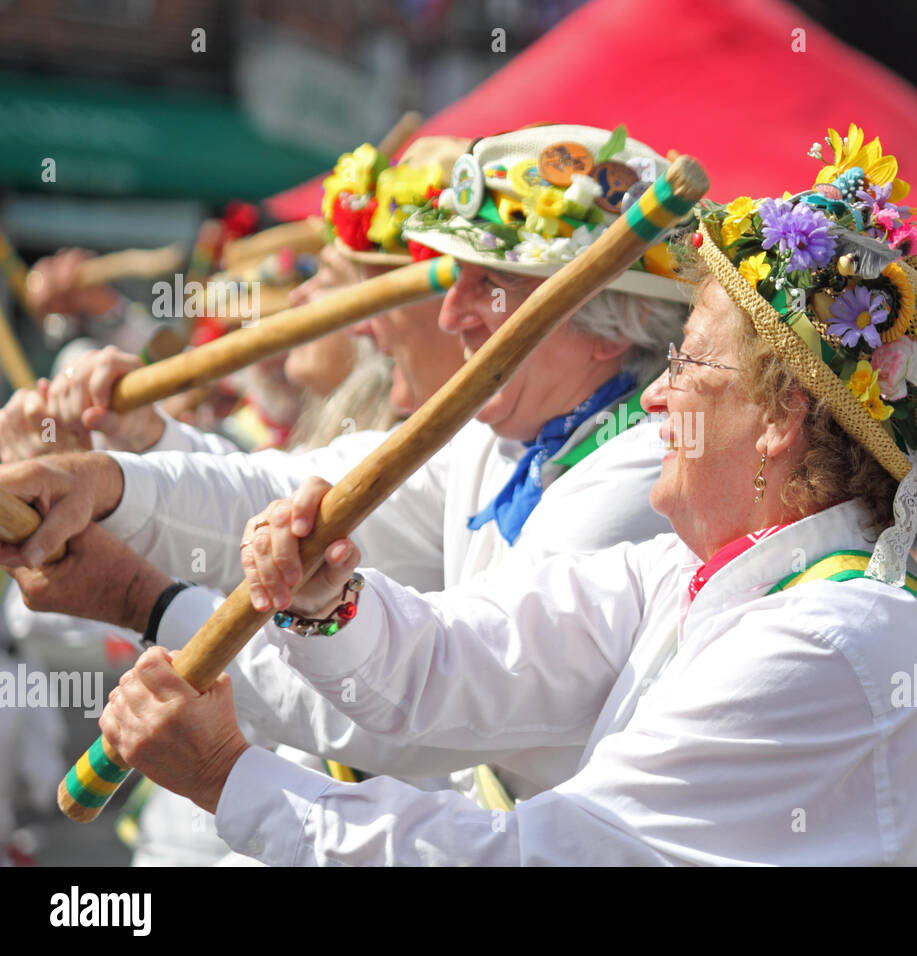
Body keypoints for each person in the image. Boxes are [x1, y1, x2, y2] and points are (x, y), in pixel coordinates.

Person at [89, 125, 917, 865]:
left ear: (780, 419)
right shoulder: (699, 575)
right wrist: (326, 603)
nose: (657, 395)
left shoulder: (828, 640)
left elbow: (531, 859)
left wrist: (229, 781)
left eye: (689, 361)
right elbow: (461, 663)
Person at [1, 123, 691, 804]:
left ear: (604, 330)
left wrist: (140, 599)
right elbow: (283, 493)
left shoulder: (646, 477)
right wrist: (105, 483)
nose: (451, 315)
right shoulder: (510, 433)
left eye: (488, 286)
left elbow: (432, 706)